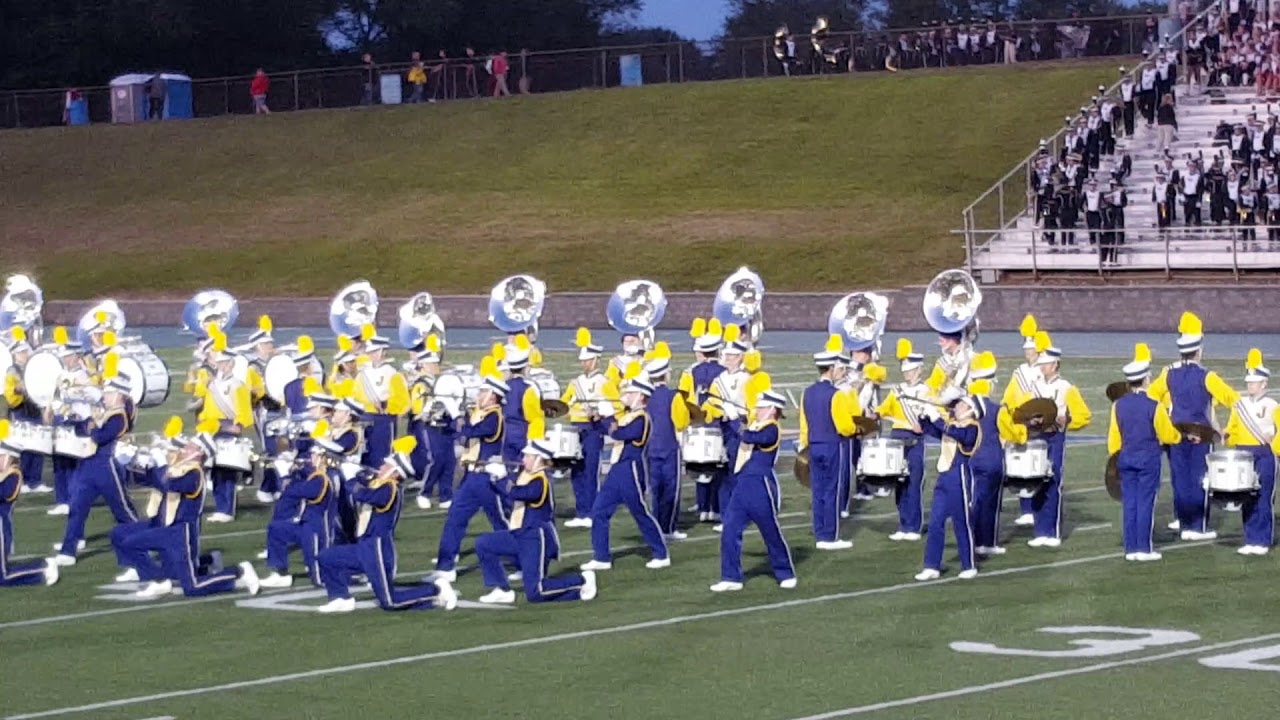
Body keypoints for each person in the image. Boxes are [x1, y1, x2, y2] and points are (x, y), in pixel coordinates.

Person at [118, 421, 261, 599]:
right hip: (166, 528)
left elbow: (171, 485)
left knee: (192, 587)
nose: (184, 450)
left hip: (181, 532)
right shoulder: (179, 468)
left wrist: (160, 465)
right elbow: (146, 480)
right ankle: (161, 580)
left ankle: (238, 571)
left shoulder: (195, 474)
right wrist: (136, 464)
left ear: (199, 454)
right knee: (129, 545)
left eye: (190, 448)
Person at [317, 436, 457, 613]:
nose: (381, 467)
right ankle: (340, 598)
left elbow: (364, 495)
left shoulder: (391, 489)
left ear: (396, 472)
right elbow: (362, 486)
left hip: (378, 548)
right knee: (327, 557)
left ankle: (436, 590)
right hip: (364, 545)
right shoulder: (379, 483)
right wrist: (349, 470)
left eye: (387, 466)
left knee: (390, 602)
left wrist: (351, 477)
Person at [1146, 312, 1239, 540]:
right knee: (1200, 480)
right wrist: (1225, 429)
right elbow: (1234, 399)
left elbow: (1150, 396)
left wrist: (1166, 418)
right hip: (1201, 435)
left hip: (1177, 433)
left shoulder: (1168, 374)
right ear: (1199, 350)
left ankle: (1184, 521)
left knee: (1180, 479)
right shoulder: (1207, 376)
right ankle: (1196, 527)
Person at [474, 441, 597, 604]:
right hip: (519, 533)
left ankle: (581, 582)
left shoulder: (541, 480)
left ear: (539, 459)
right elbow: (509, 494)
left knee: (535, 593)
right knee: (483, 544)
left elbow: (522, 494)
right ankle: (501, 589)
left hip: (535, 537)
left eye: (528, 456)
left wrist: (502, 479)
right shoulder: (527, 475)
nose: (523, 459)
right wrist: (494, 478)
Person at [1000, 330, 1092, 548]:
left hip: (1055, 437)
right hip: (1037, 437)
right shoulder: (1034, 387)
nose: (1042, 367)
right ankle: (1040, 531)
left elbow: (1083, 415)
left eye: (1046, 363)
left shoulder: (1066, 387)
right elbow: (1021, 410)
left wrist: (1066, 419)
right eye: (1041, 363)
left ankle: (1053, 532)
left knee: (1053, 482)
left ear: (1055, 364)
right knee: (1037, 481)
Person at [581, 375, 670, 571]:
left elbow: (621, 433)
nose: (625, 395)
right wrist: (596, 419)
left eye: (630, 393)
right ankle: (601, 557)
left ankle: (661, 553)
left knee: (640, 513)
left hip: (630, 469)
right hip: (617, 468)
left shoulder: (642, 418)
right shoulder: (629, 416)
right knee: (599, 511)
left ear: (640, 396)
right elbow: (611, 430)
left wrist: (609, 418)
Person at [54, 361, 139, 566]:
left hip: (107, 466)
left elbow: (101, 435)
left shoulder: (120, 416)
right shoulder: (104, 412)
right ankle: (68, 550)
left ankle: (144, 541)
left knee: (123, 511)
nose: (105, 397)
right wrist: (73, 418)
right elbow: (82, 429)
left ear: (119, 395)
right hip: (88, 465)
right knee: (77, 506)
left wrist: (91, 426)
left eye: (109, 393)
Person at [712, 390, 796, 592]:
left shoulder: (773, 429)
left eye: (761, 407)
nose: (757, 410)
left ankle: (785, 572)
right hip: (742, 486)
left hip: (760, 486)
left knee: (770, 531)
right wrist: (734, 419)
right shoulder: (756, 425)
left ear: (772, 410)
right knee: (730, 529)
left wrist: (736, 422)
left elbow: (751, 437)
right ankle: (731, 576)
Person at [428, 369, 508, 582]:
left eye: (483, 391)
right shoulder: (478, 413)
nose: (478, 395)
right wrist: (446, 421)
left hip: (487, 479)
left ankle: (524, 561)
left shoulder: (495, 417)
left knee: (500, 522)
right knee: (455, 518)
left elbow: (473, 431)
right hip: (471, 478)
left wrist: (457, 418)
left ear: (493, 395)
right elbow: (462, 434)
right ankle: (446, 567)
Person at [1107, 344, 1180, 562]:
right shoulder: (1154, 405)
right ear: (1146, 379)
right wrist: (1179, 436)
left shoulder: (1117, 405)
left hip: (1126, 457)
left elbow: (1114, 438)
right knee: (1146, 502)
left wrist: (1116, 458)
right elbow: (1167, 435)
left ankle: (1130, 549)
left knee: (1130, 502)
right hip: (1148, 458)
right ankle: (1144, 548)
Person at [258, 424, 340, 588]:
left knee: (320, 579)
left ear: (324, 458)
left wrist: (285, 475)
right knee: (277, 529)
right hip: (305, 526)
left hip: (317, 531)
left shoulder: (323, 478)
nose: (311, 458)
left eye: (315, 455)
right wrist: (294, 468)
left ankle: (359, 572)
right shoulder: (318, 474)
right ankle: (280, 572)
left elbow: (294, 492)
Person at [799, 336, 858, 550]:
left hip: (813, 445)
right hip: (833, 445)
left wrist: (805, 443)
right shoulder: (837, 394)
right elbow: (844, 426)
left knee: (818, 491)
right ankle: (830, 536)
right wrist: (855, 428)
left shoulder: (807, 392)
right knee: (832, 490)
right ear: (831, 368)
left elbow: (804, 423)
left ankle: (819, 532)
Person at [914, 395, 982, 581]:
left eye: (962, 404)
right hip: (944, 477)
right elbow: (932, 430)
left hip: (959, 476)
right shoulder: (952, 425)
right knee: (936, 521)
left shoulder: (972, 428)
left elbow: (958, 435)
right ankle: (931, 565)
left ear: (971, 409)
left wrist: (937, 417)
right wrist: (923, 415)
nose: (957, 406)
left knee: (961, 521)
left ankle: (969, 564)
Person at [1221, 349, 1279, 556]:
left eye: (1254, 382)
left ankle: (1262, 541)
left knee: (1263, 497)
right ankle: (1250, 538)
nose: (1249, 385)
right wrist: (1224, 435)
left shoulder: (1273, 405)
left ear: (1264, 384)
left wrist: (1273, 442)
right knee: (1246, 497)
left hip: (1264, 453)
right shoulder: (1240, 405)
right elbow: (1232, 429)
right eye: (1248, 382)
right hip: (1244, 455)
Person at [875, 339, 932, 541]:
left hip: (915, 441)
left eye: (911, 370)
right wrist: (874, 413)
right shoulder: (897, 390)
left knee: (914, 482)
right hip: (897, 439)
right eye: (905, 370)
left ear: (918, 370)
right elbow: (883, 409)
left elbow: (935, 415)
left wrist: (922, 425)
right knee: (899, 483)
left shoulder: (927, 391)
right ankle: (903, 524)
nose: (906, 373)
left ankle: (914, 527)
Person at [559, 328, 609, 527]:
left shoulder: (604, 382)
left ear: (595, 360)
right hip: (575, 429)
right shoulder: (575, 383)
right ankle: (581, 512)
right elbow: (563, 403)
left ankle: (592, 511)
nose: (583, 364)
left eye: (587, 360)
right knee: (577, 471)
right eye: (582, 361)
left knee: (591, 471)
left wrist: (597, 413)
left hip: (593, 428)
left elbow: (610, 406)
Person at [0, 421, 59, 587]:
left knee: (2, 576)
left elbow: (5, 494)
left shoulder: (14, 475)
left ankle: (42, 569)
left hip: (0, 526)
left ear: (8, 458)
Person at [677, 318, 725, 520]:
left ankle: (703, 506)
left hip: (696, 423)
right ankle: (715, 508)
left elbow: (683, 399)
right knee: (717, 467)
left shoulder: (690, 372)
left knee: (699, 464)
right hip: (717, 423)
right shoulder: (724, 372)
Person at [644, 345, 690, 540]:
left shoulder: (644, 396)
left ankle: (655, 526)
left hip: (649, 448)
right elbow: (682, 422)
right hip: (669, 447)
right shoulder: (674, 396)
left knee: (655, 490)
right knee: (671, 489)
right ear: (666, 375)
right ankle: (668, 528)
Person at [1002, 314, 1042, 526]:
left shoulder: (1043, 370)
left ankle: (1039, 507)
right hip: (1022, 425)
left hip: (1039, 424)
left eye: (1031, 349)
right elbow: (1009, 399)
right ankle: (1026, 509)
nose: (1028, 353)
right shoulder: (1019, 372)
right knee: (1021, 468)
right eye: (1026, 350)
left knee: (1038, 467)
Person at [966, 354, 1006, 556]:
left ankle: (971, 541)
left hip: (970, 460)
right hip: (992, 459)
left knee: (974, 501)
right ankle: (987, 542)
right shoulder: (996, 409)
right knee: (990, 503)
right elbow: (1011, 432)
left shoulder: (964, 408)